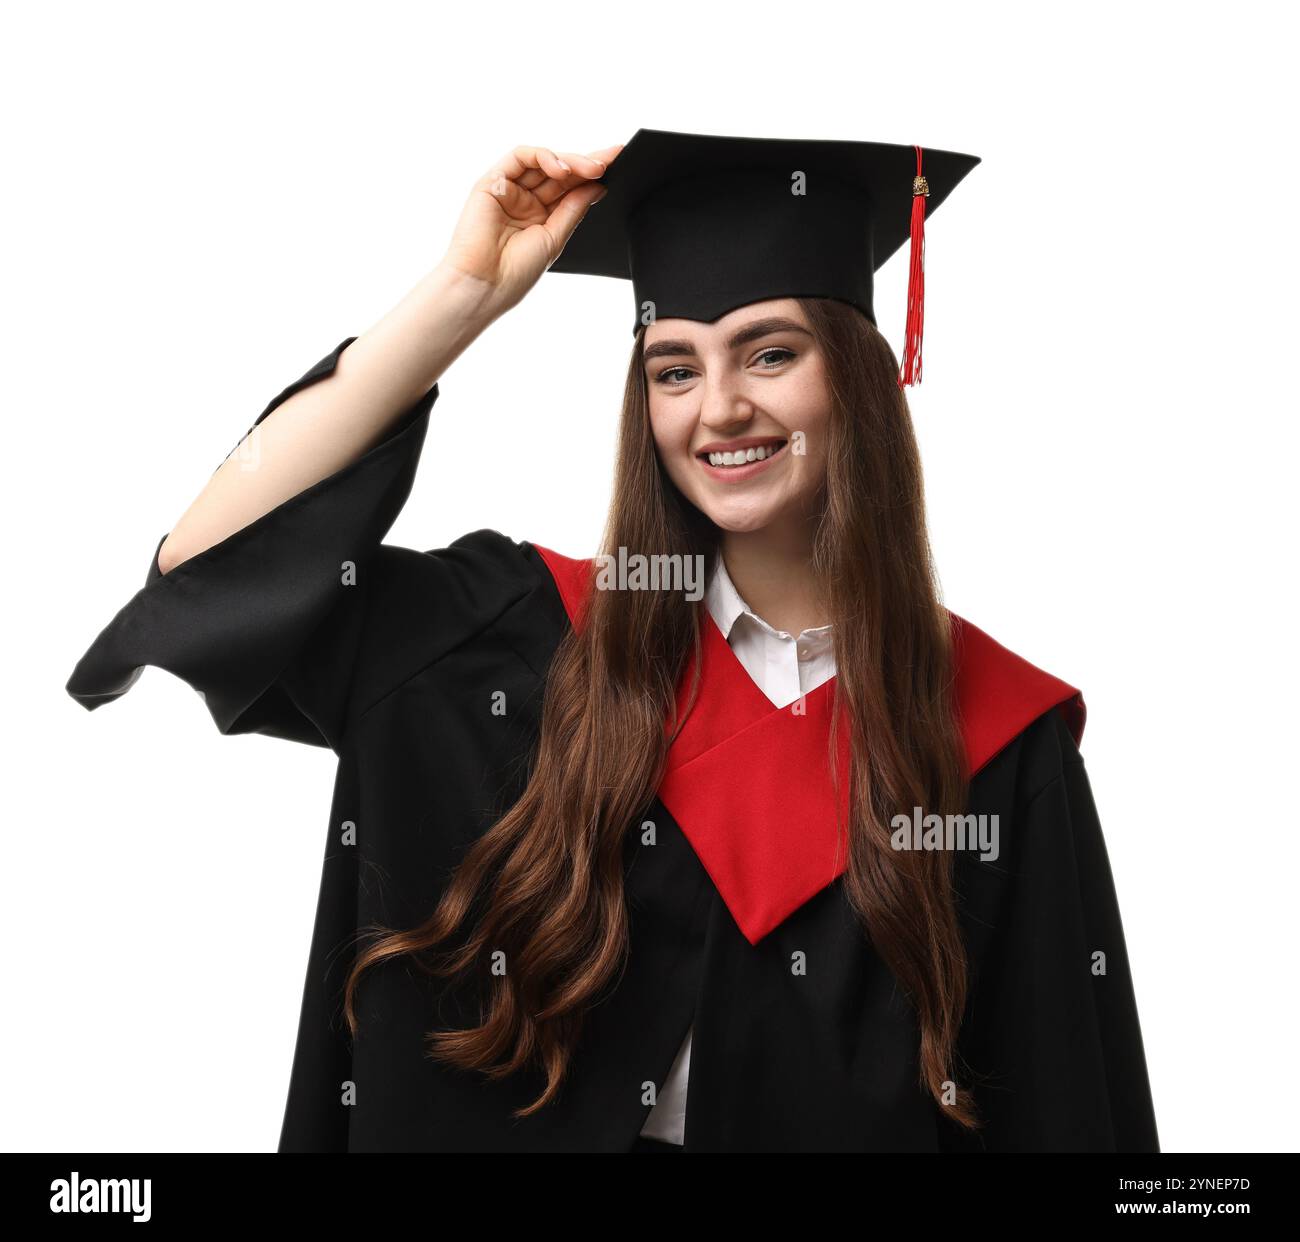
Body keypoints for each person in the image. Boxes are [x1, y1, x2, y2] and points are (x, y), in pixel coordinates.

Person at [66, 129, 1160, 1153]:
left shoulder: (995, 743)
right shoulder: (512, 638)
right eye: (673, 369)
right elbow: (208, 568)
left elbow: (1064, 1099)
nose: (717, 407)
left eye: (769, 355)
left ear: (861, 381)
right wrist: (464, 297)